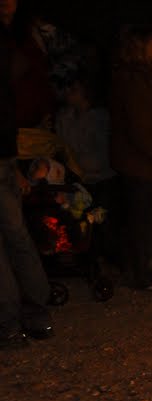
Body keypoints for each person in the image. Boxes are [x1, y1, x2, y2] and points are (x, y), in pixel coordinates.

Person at [110, 27, 152, 292]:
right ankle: (147, 273)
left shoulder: (148, 78)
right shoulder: (133, 81)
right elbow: (139, 127)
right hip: (142, 164)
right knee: (146, 220)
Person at [0, 0, 51, 346]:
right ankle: (24, 316)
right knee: (14, 237)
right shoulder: (14, 45)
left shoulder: (16, 43)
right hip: (4, 153)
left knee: (14, 238)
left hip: (4, 154)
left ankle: (16, 320)